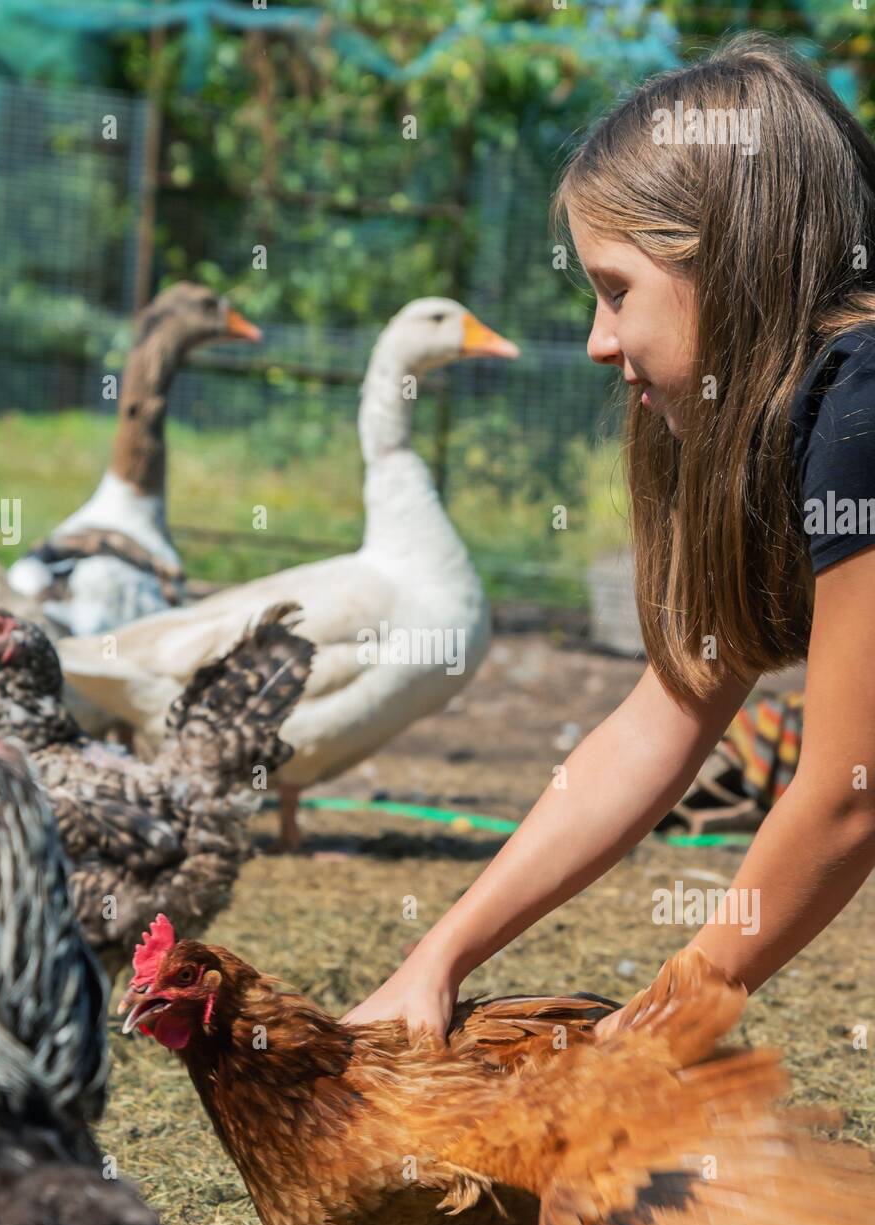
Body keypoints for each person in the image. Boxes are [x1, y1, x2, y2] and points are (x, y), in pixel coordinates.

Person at [343, 33, 875, 1041]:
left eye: (616, 288)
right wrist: (436, 958)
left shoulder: (862, 412)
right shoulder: (804, 421)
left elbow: (853, 791)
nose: (595, 339)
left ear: (726, 261)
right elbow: (663, 714)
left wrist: (645, 1040)